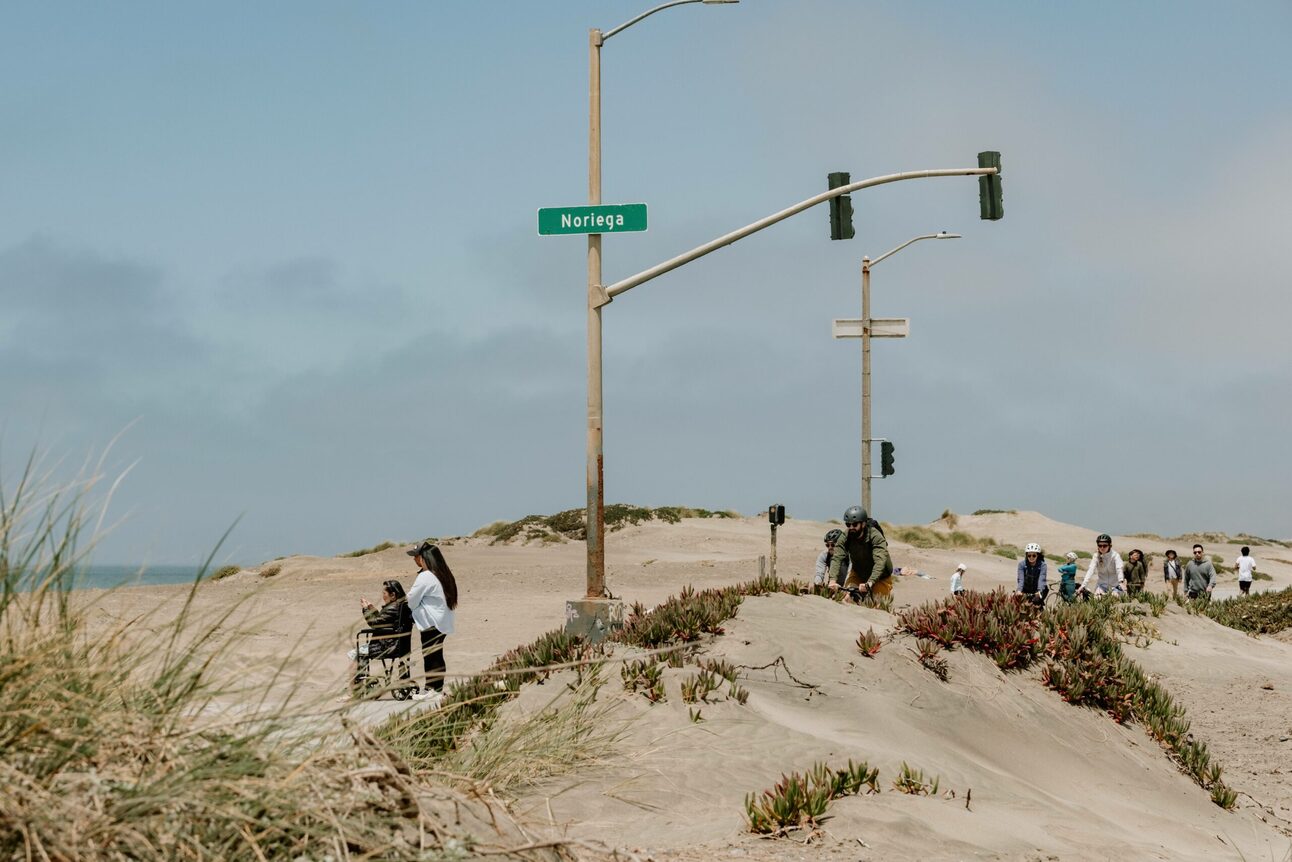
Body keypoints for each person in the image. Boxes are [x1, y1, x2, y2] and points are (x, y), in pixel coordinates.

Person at [406, 541, 459, 705]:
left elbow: (411, 600)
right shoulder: (442, 573)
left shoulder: (426, 576)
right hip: (442, 621)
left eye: (416, 557)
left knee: (430, 655)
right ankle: (435, 689)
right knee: (436, 654)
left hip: (431, 622)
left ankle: (432, 690)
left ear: (424, 558)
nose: (415, 560)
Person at [348, 579, 413, 695]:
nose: (383, 596)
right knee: (359, 653)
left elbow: (375, 624)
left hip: (386, 646)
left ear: (393, 595)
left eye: (384, 593)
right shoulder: (400, 606)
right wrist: (372, 609)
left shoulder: (393, 608)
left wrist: (365, 609)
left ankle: (353, 692)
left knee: (356, 654)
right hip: (396, 645)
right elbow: (384, 621)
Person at [827, 506, 894, 603]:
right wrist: (832, 580)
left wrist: (870, 582)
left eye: (854, 524)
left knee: (877, 606)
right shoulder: (846, 536)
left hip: (881, 577)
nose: (851, 528)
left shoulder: (875, 536)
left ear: (863, 524)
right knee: (846, 598)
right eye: (848, 524)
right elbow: (837, 557)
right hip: (858, 573)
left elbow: (880, 562)